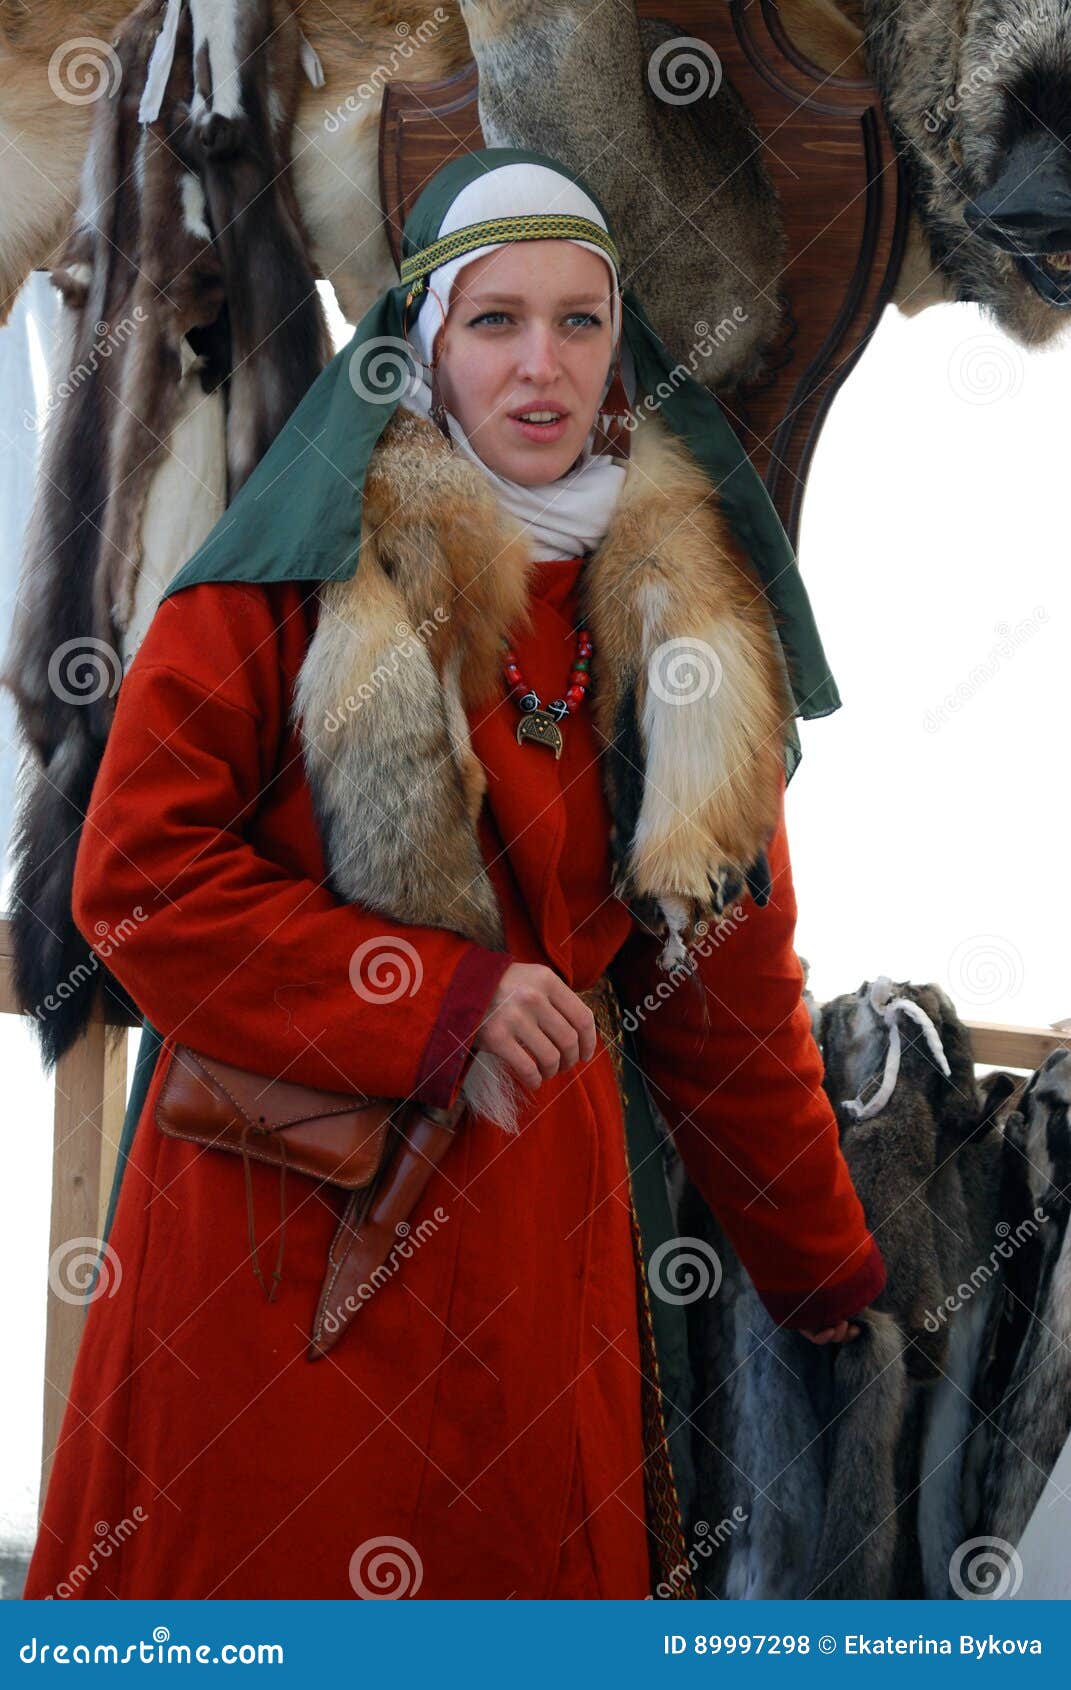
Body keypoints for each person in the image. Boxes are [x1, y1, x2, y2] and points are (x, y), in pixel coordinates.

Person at [23, 148, 885, 1602]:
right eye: (495, 322)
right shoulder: (285, 577)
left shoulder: (687, 625)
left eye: (578, 321)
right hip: (273, 1262)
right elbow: (138, 884)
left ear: (622, 345)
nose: (541, 368)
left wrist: (834, 1281)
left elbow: (721, 994)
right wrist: (435, 995)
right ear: (423, 340)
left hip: (529, 1256)